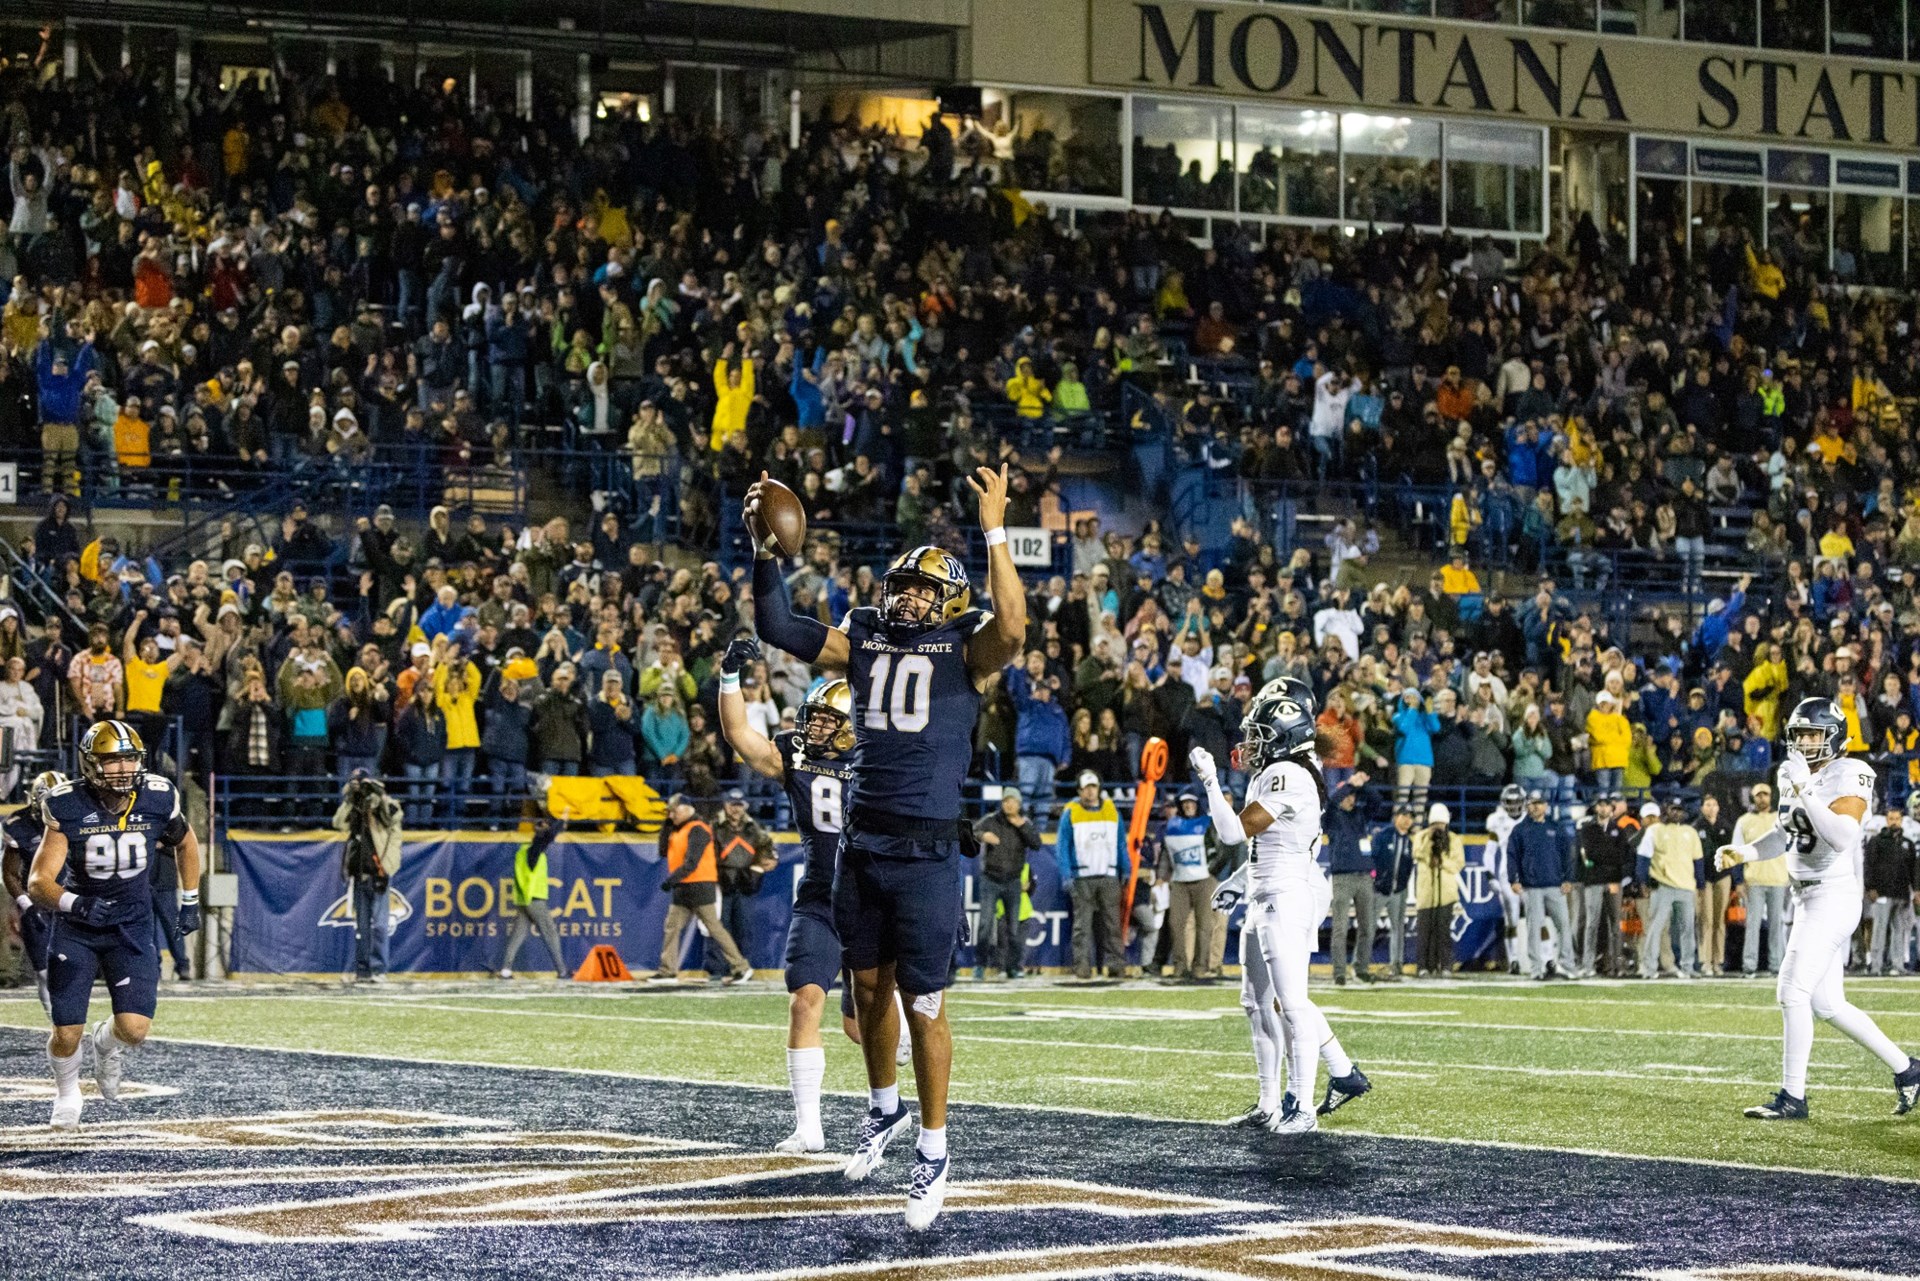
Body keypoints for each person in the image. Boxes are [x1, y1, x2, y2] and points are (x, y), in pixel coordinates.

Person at [748, 462, 1027, 1229]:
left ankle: (934, 1149)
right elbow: (780, 628)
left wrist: (996, 528)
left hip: (929, 851)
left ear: (951, 600)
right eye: (900, 584)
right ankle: (884, 1108)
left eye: (923, 589)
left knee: (924, 1001)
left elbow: (1013, 627)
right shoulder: (866, 637)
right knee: (866, 991)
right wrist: (763, 551)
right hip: (861, 844)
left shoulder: (967, 650)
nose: (906, 596)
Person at [718, 643, 889, 1152]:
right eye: (810, 719)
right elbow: (741, 737)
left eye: (824, 722)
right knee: (802, 1001)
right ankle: (808, 1127)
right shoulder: (796, 754)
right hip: (821, 897)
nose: (812, 729)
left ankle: (897, 1083)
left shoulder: (880, 762)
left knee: (863, 1028)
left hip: (874, 899)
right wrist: (730, 679)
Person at [1715, 698, 1920, 1119]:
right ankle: (1908, 1070)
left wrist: (1805, 786)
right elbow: (1785, 833)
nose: (1806, 743)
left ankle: (1793, 1097)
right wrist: (1746, 852)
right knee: (1827, 1004)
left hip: (1833, 894)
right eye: (1800, 735)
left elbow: (1841, 835)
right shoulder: (1791, 772)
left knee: (1791, 990)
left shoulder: (1853, 772)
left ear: (1836, 735)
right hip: (1804, 896)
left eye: (1814, 734)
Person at [1191, 685, 1370, 1135]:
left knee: (1291, 1003)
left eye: (1261, 733)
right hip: (1266, 891)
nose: (1252, 742)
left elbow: (1233, 833)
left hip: (1285, 897)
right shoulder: (1282, 769)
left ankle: (1303, 1108)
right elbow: (1264, 846)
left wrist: (1210, 780)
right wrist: (1238, 882)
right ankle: (1269, 1103)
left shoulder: (1286, 774)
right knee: (1255, 1001)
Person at [29, 721, 202, 1128]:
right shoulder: (68, 803)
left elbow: (186, 843)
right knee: (66, 1031)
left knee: (135, 1029)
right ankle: (68, 1093)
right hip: (79, 927)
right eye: (112, 759)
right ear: (91, 763)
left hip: (132, 924)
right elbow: (39, 881)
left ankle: (105, 1043)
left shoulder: (158, 795)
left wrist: (190, 899)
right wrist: (77, 904)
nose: (123, 768)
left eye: (129, 758)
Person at [653, 795, 752, 985]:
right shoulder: (677, 829)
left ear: (686, 809)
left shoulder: (698, 828)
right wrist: (666, 826)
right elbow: (663, 851)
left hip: (699, 885)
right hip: (684, 886)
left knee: (714, 928)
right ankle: (667, 971)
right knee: (672, 927)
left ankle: (741, 967)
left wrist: (671, 880)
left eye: (674, 811)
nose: (671, 815)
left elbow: (692, 863)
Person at [2, 771, 66, 1013]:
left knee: (73, 969)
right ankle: (56, 1023)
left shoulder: (78, 819)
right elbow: (10, 872)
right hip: (38, 903)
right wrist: (26, 906)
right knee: (44, 972)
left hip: (70, 900)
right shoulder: (20, 825)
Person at [334, 772, 404, 984]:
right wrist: (350, 799)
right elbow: (338, 823)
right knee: (362, 925)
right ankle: (363, 970)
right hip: (360, 871)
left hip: (378, 870)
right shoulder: (355, 807)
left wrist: (378, 796)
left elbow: (393, 818)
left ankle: (379, 968)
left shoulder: (386, 806)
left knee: (380, 925)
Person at [1057, 771, 1126, 980]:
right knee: (1082, 927)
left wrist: (1127, 867)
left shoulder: (1112, 811)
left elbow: (1120, 841)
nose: (1090, 791)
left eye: (1093, 787)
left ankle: (1115, 965)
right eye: (1086, 788)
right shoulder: (1071, 812)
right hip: (1082, 876)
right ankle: (1082, 967)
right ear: (1079, 791)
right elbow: (1063, 846)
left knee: (1112, 925)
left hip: (1108, 874)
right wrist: (1066, 874)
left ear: (1099, 788)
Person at [972, 790, 1041, 980]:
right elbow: (971, 831)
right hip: (990, 879)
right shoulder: (991, 820)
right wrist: (982, 835)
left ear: (1019, 804)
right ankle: (979, 965)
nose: (1009, 805)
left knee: (1014, 928)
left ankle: (1013, 967)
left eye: (1013, 801)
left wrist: (1023, 827)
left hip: (1013, 882)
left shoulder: (1024, 823)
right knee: (985, 925)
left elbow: (1036, 844)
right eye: (1005, 801)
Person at [709, 789, 777, 978]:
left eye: (739, 805)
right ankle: (717, 970)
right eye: (732, 805)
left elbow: (767, 849)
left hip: (745, 882)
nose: (735, 809)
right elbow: (707, 850)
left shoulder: (753, 827)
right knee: (719, 927)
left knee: (743, 928)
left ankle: (741, 969)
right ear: (725, 805)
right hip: (720, 882)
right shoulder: (715, 825)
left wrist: (763, 865)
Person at [1509, 789, 1574, 981]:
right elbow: (1512, 855)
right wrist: (1513, 879)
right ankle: (1536, 969)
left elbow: (1567, 854)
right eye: (1532, 803)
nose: (1536, 806)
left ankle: (1565, 965)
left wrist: (1568, 878)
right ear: (1527, 805)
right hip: (1532, 886)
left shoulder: (1557, 827)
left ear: (1546, 806)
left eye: (1539, 803)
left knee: (1564, 925)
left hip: (1555, 885)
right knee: (1534, 927)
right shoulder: (1520, 829)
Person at [1637, 798, 1702, 980]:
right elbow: (1643, 857)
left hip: (1686, 886)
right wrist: (1642, 882)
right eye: (1673, 809)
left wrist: (1701, 884)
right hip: (1663, 886)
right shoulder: (1655, 830)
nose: (1676, 813)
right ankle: (1649, 967)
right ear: (1666, 811)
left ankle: (1688, 967)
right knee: (1655, 928)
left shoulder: (1690, 832)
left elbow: (1698, 860)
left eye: (1679, 810)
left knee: (1688, 929)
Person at [497, 817, 569, 980]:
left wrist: (555, 826)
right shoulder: (533, 852)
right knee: (550, 932)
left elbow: (544, 839)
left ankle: (505, 970)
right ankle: (562, 971)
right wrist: (560, 822)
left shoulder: (522, 851)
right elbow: (546, 838)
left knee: (517, 935)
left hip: (524, 899)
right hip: (534, 898)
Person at [1160, 789, 1219, 981]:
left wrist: (1214, 872)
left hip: (1204, 880)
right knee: (1175, 923)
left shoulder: (1208, 824)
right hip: (1179, 881)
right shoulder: (1172, 826)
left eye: (1191, 803)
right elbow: (1165, 855)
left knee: (1205, 925)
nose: (1188, 806)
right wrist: (1162, 876)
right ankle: (1179, 965)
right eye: (1185, 803)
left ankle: (1200, 967)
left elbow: (1221, 850)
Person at [1572, 793, 1632, 978]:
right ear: (1596, 808)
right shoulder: (1588, 830)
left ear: (1612, 809)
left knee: (1615, 923)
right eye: (1601, 805)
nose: (1604, 809)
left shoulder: (1618, 831)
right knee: (1592, 922)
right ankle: (1587, 964)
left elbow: (1622, 855)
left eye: (1608, 806)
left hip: (1613, 880)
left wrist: (1604, 855)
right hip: (1594, 881)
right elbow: (1591, 854)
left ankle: (1616, 964)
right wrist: (1609, 855)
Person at [1323, 771, 1375, 985]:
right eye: (1348, 795)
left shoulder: (1359, 816)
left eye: (1353, 795)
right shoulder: (1332, 818)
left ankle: (1361, 967)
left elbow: (1377, 802)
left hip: (1364, 877)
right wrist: (1348, 786)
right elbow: (1331, 802)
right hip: (1342, 878)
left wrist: (1362, 785)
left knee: (1368, 927)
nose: (1351, 798)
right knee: (1340, 927)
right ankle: (1339, 972)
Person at [1734, 782, 1787, 976]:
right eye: (1758, 795)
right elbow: (1737, 852)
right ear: (1753, 798)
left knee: (1776, 925)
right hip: (1754, 879)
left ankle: (1776, 965)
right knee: (1752, 926)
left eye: (1765, 795)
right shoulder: (1744, 821)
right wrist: (1739, 880)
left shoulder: (1781, 819)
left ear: (1771, 796)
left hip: (1777, 878)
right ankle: (1749, 966)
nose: (1762, 798)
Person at [1412, 802, 1465, 978]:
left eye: (1441, 825)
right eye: (1435, 825)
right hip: (1426, 892)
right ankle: (1423, 966)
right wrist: (1430, 840)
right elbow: (1418, 853)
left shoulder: (1454, 839)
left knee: (1443, 930)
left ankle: (1446, 965)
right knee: (1425, 932)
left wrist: (1442, 860)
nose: (1438, 828)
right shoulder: (1421, 836)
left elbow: (1458, 864)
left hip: (1446, 893)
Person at [1862, 804, 1916, 976]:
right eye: (1891, 819)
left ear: (1901, 821)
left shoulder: (1908, 843)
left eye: (1897, 819)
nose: (1894, 822)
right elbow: (1868, 865)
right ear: (1886, 820)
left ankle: (1898, 965)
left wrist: (1916, 890)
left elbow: (1914, 869)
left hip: (1901, 894)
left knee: (1899, 931)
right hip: (1882, 893)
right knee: (1879, 930)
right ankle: (1876, 966)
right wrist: (1870, 887)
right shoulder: (1877, 841)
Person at [1484, 784, 1530, 976]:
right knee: (1511, 918)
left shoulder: (1531, 818)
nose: (1513, 806)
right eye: (1509, 802)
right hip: (1507, 876)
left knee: (1535, 918)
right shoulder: (1497, 820)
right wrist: (1490, 876)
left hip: (1529, 875)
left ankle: (1541, 958)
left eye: (1516, 801)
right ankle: (1513, 960)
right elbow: (1489, 852)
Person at [1368, 805, 1416, 982]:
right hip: (1380, 889)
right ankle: (1361, 964)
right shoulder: (1383, 835)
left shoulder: (1409, 842)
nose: (1407, 820)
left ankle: (1396, 965)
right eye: (1404, 815)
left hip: (1398, 891)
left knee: (1398, 928)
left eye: (1410, 817)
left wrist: (1401, 885)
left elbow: (1408, 867)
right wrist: (1375, 880)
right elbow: (1372, 858)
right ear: (1396, 817)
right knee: (1368, 927)